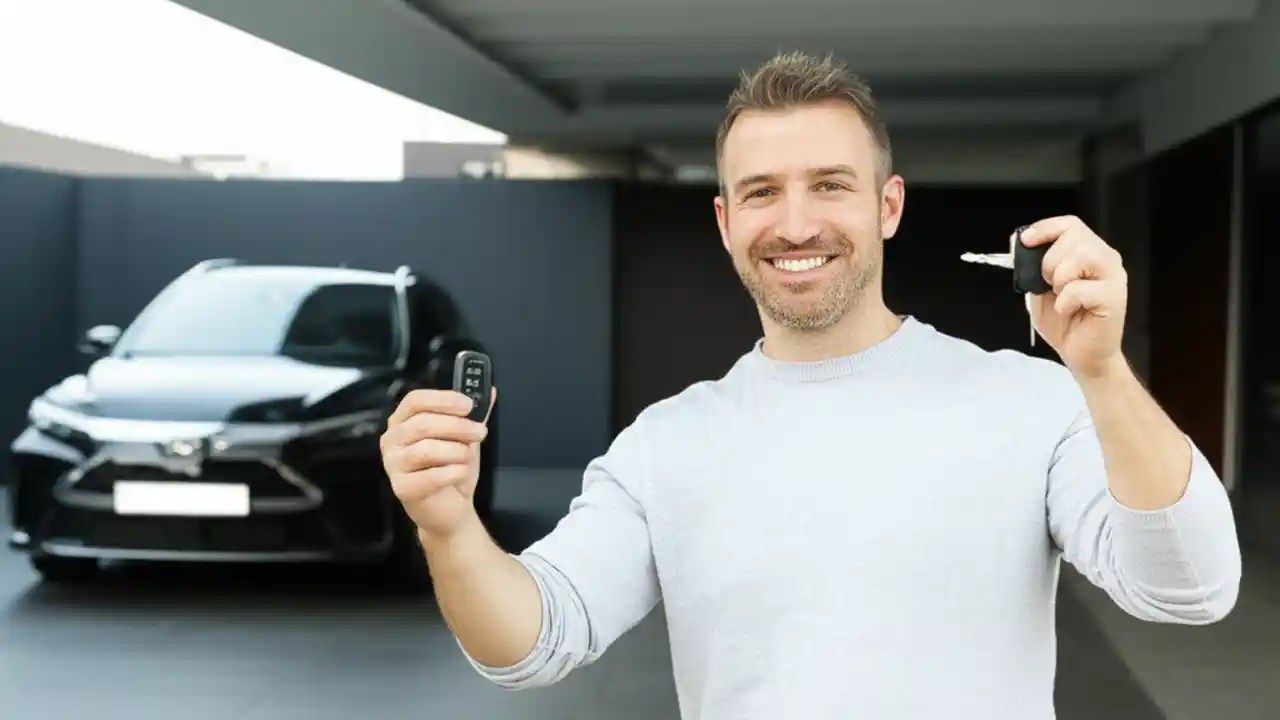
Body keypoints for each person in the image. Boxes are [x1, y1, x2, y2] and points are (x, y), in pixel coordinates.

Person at [379, 50, 1242, 719]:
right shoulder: (666, 444)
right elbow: (532, 643)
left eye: (829, 185)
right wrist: (449, 527)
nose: (796, 224)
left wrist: (1103, 372)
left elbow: (1191, 589)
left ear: (887, 206)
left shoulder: (1030, 401)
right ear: (725, 222)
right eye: (761, 193)